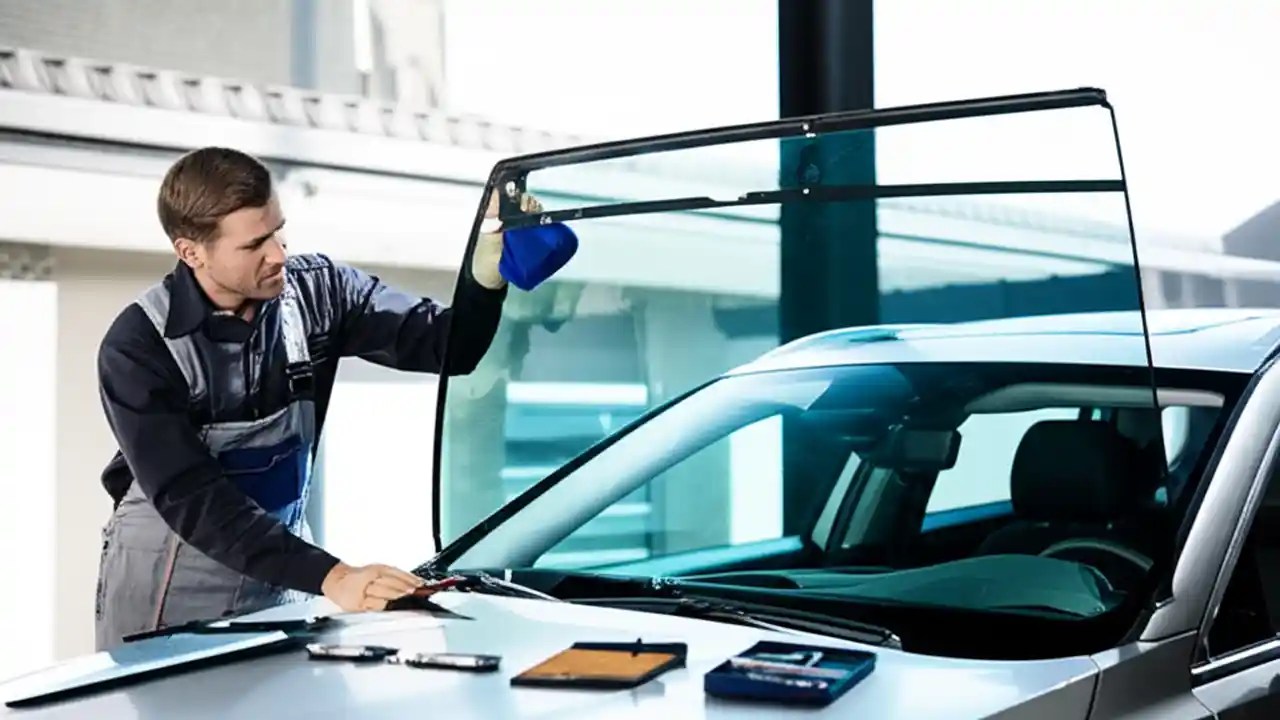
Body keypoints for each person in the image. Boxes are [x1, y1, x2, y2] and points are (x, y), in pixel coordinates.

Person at [93, 146, 534, 650]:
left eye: (279, 231)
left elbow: (447, 346)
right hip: (164, 599)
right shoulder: (138, 346)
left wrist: (486, 275)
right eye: (255, 244)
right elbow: (194, 499)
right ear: (191, 252)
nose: (278, 254)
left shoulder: (320, 294)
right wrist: (335, 577)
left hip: (278, 579)